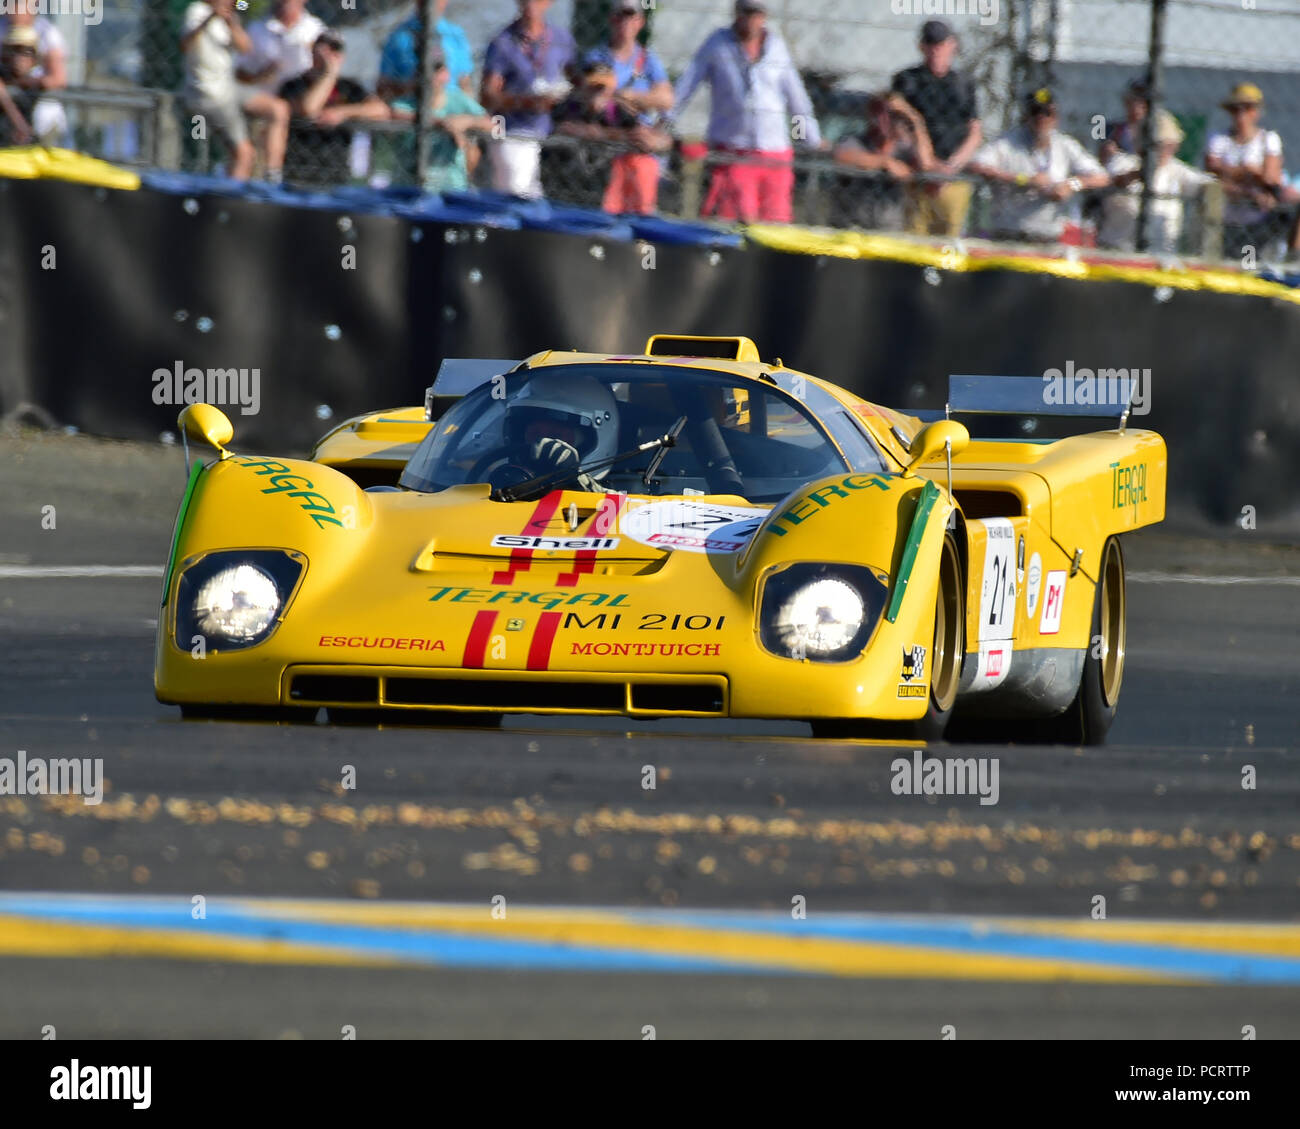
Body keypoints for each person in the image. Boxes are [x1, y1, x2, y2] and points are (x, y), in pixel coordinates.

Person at [672, 0, 822, 224]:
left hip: (775, 154)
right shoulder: (717, 44)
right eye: (747, 12)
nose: (752, 19)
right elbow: (686, 86)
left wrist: (809, 140)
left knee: (776, 225)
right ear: (736, 12)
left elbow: (796, 101)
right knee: (733, 224)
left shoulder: (777, 48)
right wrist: (664, 123)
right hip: (734, 151)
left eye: (757, 13)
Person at [968, 87, 1110, 244]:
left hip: (1048, 235)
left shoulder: (1065, 145)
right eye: (1036, 112)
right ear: (1026, 116)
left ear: (1055, 117)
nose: (1041, 118)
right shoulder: (1008, 142)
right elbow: (977, 165)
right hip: (1010, 234)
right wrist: (1023, 180)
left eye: (1047, 113)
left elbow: (1102, 177)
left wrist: (1072, 184)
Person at [581, 0, 674, 214]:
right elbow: (598, 99)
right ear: (611, 19)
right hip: (608, 148)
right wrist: (637, 99)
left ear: (639, 22)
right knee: (608, 212)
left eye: (630, 15)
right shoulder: (598, 57)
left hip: (640, 146)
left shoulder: (647, 59)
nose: (624, 22)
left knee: (642, 211)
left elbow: (666, 99)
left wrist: (627, 96)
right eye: (618, 16)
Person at [890, 19, 981, 237]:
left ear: (953, 45)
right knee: (913, 243)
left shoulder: (963, 84)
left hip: (953, 180)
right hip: (918, 176)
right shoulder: (908, 80)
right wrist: (927, 166)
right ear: (922, 46)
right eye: (930, 43)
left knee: (948, 247)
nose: (936, 50)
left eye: (941, 43)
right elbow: (899, 126)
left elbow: (975, 132)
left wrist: (949, 168)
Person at [180, 0, 289, 181]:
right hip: (208, 94)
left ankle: (273, 174)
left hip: (228, 86)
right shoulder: (197, 11)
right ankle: (233, 198)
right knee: (244, 153)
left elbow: (245, 47)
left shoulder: (232, 12)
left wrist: (231, 24)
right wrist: (210, 18)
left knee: (278, 108)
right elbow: (185, 44)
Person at [480, 0, 576, 198]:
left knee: (544, 200)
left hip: (549, 132)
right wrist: (527, 102)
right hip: (511, 130)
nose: (531, 3)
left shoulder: (560, 39)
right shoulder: (503, 42)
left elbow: (576, 79)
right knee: (516, 196)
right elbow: (487, 96)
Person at [553, 59, 671, 215]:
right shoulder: (569, 107)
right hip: (568, 185)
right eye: (593, 87)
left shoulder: (618, 111)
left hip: (605, 186)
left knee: (642, 163)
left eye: (604, 88)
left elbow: (650, 137)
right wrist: (609, 135)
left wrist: (653, 141)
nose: (599, 92)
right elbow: (563, 128)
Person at [278, 30, 388, 187]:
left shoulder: (347, 87)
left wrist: (342, 112)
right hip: (297, 168)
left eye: (335, 50)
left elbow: (380, 109)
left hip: (336, 169)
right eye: (324, 49)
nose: (330, 55)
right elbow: (308, 108)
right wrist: (329, 73)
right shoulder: (294, 84)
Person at [1098, 109, 1211, 254]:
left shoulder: (1177, 170)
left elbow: (1206, 184)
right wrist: (1139, 173)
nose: (1165, 151)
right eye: (1159, 145)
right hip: (1119, 249)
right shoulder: (1123, 162)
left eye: (1170, 145)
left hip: (1161, 253)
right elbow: (1112, 181)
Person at [489, 373, 621, 493]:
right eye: (535, 434)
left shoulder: (624, 510)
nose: (542, 444)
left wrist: (573, 478)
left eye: (556, 436)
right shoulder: (495, 486)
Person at [390, 47, 493, 193]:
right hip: (409, 186)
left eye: (436, 70)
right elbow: (395, 113)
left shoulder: (458, 100)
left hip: (451, 186)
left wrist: (468, 121)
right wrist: (442, 123)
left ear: (446, 74)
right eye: (424, 70)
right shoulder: (406, 103)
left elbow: (496, 126)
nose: (430, 76)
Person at [833, 91, 935, 231]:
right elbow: (842, 156)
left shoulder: (904, 147)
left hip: (888, 226)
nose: (886, 119)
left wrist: (915, 120)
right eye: (881, 113)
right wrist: (884, 162)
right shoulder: (857, 141)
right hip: (852, 223)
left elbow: (926, 164)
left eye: (892, 114)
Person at [1204, 82, 1285, 258]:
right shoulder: (1219, 139)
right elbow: (1213, 171)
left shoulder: (1268, 139)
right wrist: (1249, 174)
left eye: (1247, 108)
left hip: (1257, 221)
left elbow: (1270, 178)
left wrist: (1233, 173)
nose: (1241, 114)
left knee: (1249, 268)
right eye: (1236, 109)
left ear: (1256, 112)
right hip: (1224, 220)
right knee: (1220, 268)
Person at [378, 0, 476, 102]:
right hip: (410, 108)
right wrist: (415, 87)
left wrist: (468, 107)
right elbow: (383, 87)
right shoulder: (399, 37)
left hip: (451, 108)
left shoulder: (455, 35)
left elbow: (465, 81)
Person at [0, 0, 67, 143]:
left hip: (40, 111)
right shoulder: (2, 28)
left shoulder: (46, 32)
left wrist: (23, 82)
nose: (13, 8)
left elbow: (58, 79)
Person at [238, 0, 325, 98]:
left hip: (301, 100)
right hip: (265, 101)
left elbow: (328, 70)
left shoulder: (317, 30)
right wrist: (259, 77)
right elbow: (239, 74)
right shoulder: (256, 29)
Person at [0, 25, 37, 145]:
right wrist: (19, 124)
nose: (18, 58)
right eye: (14, 51)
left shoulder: (34, 83)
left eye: (25, 52)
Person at [1099, 77, 1149, 163]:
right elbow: (1102, 159)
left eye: (1143, 101)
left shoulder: (1155, 129)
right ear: (1126, 101)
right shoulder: (1112, 129)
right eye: (1134, 100)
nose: (1138, 105)